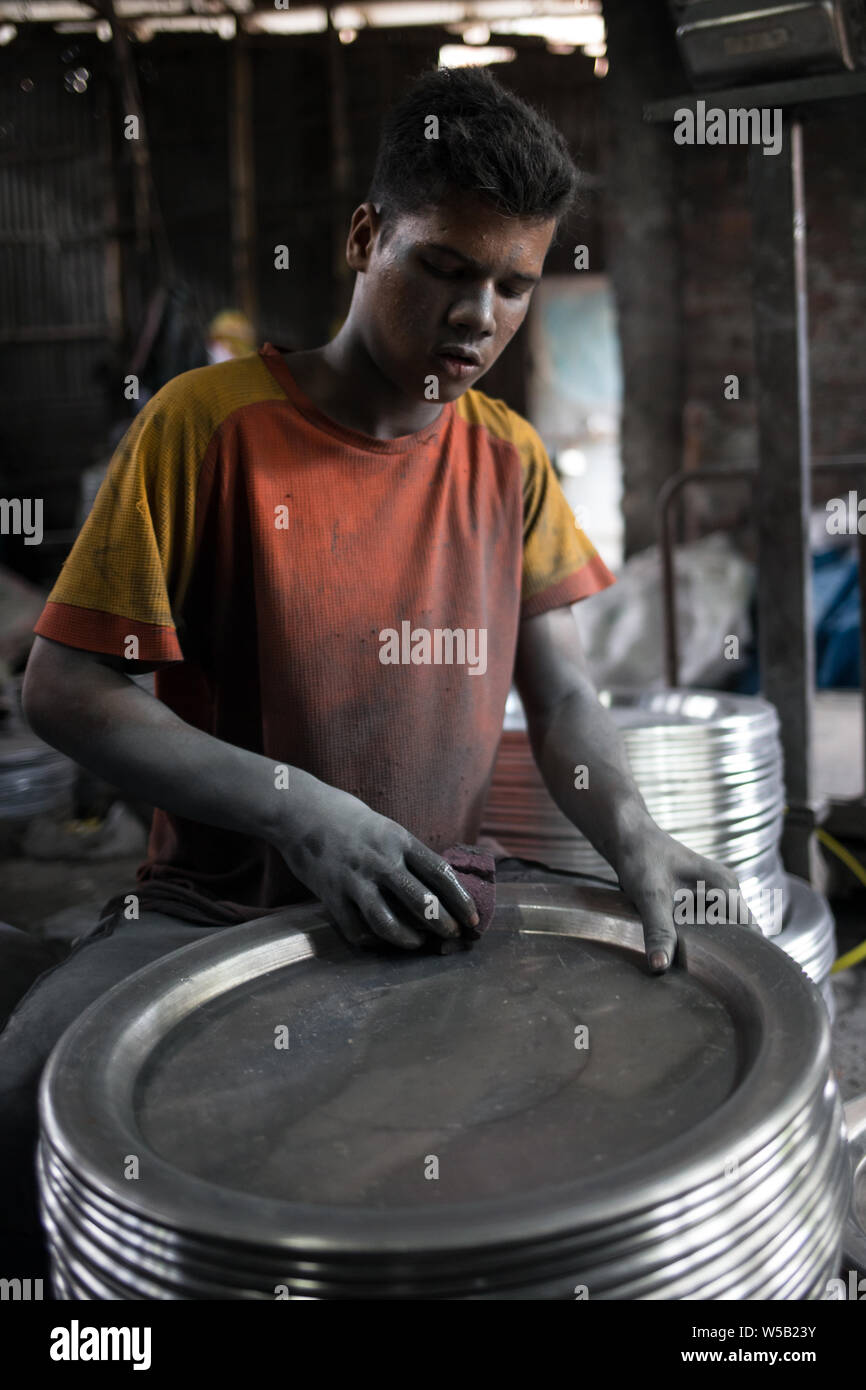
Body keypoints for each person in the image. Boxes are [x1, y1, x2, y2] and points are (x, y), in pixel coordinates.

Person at [0, 65, 748, 1276]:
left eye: (512, 284)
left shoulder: (506, 458)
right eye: (444, 269)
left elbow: (557, 695)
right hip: (211, 913)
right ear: (364, 237)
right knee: (31, 1104)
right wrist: (303, 810)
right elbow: (67, 689)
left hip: (432, 903)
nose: (478, 319)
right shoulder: (209, 426)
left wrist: (637, 835)